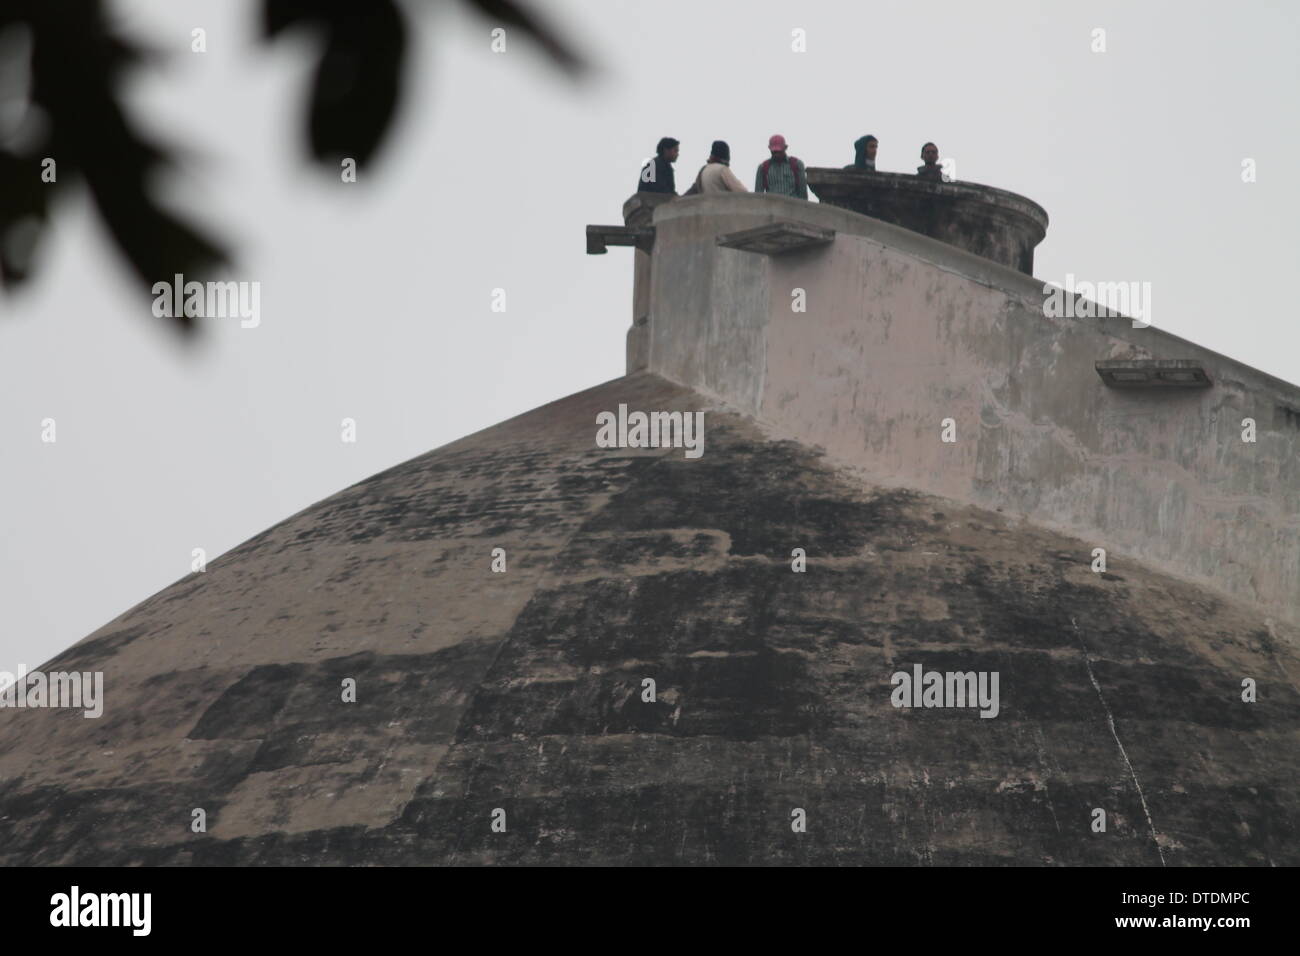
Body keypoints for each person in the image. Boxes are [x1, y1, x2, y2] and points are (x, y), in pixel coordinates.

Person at [754, 134, 807, 199]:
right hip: (770, 206)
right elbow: (758, 195)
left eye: (779, 151)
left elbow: (803, 192)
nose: (777, 154)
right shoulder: (763, 167)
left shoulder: (797, 164)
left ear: (785, 148)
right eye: (774, 152)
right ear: (769, 149)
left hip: (792, 206)